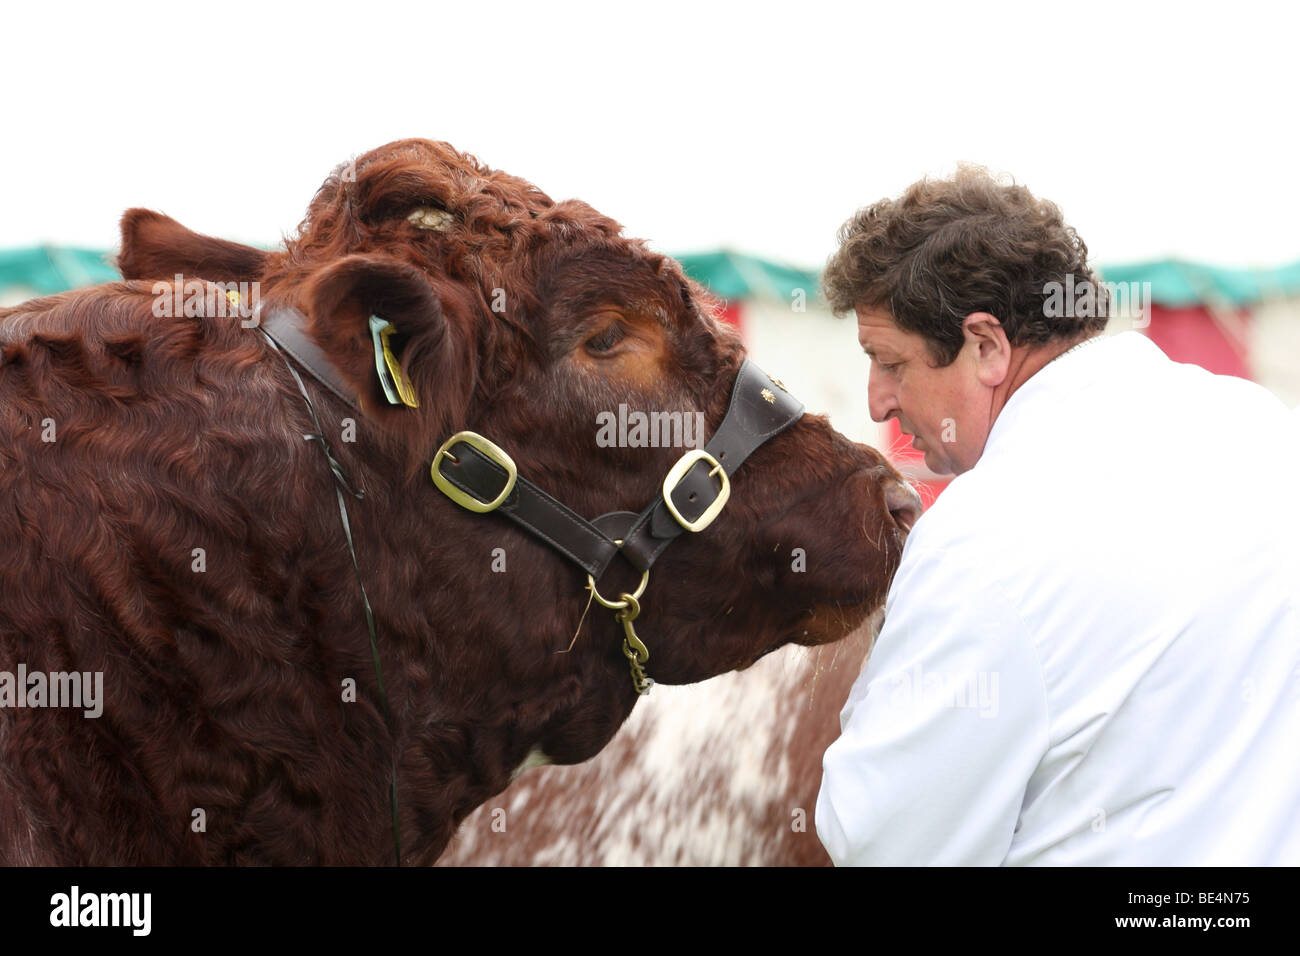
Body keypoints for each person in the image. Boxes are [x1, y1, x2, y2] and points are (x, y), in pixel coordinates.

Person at [814, 166, 1300, 865]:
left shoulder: (981, 540)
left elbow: (881, 841)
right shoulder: (1262, 429)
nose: (877, 403)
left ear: (986, 346)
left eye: (890, 362)